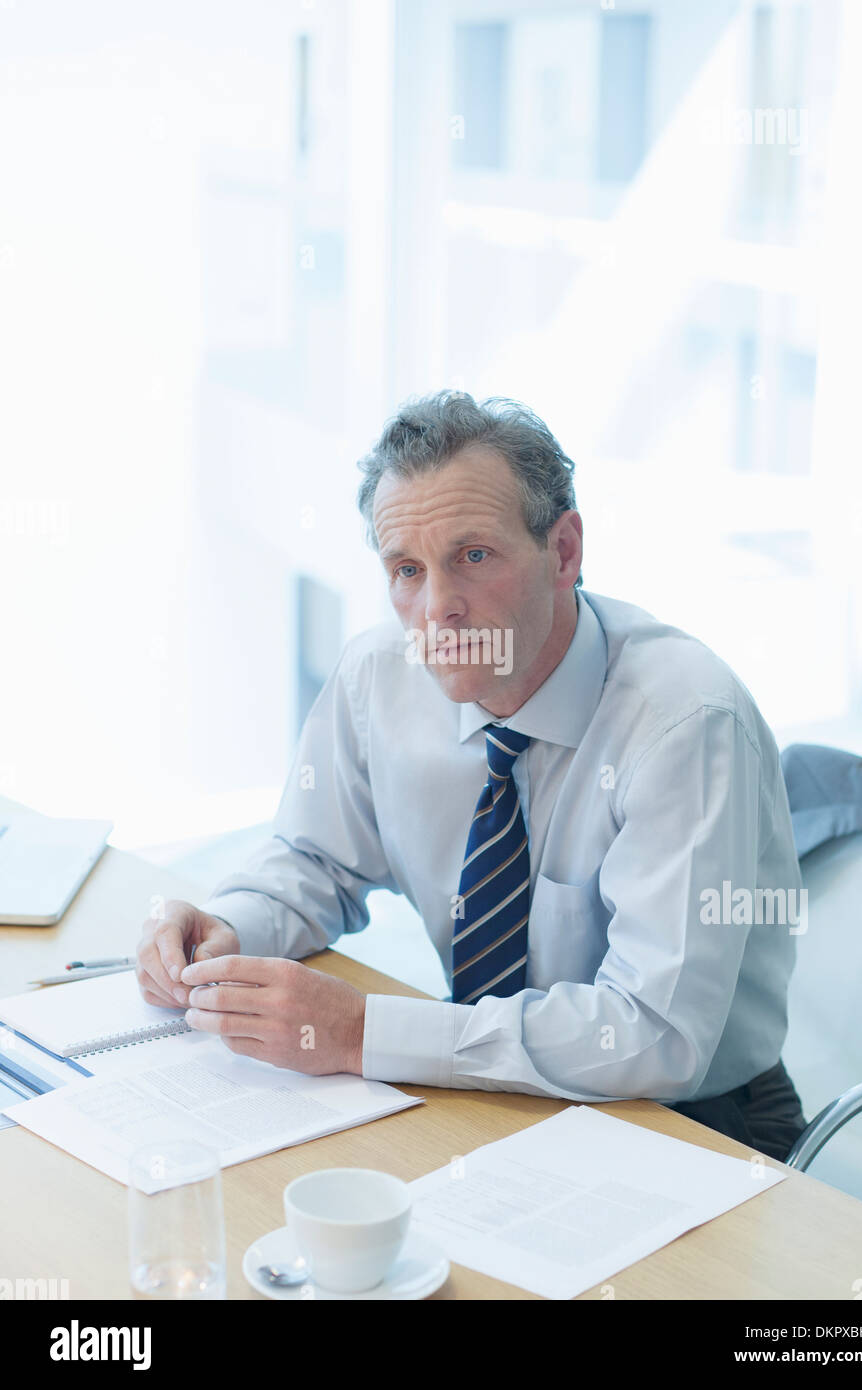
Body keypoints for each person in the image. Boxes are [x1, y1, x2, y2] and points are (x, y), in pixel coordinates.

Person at [135, 391, 808, 1161]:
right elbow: (316, 862)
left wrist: (360, 1031)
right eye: (407, 569)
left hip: (689, 1119)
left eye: (473, 556)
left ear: (563, 551)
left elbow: (654, 1034)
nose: (437, 609)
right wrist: (227, 927)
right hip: (484, 1086)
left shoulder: (685, 723)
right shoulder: (377, 677)